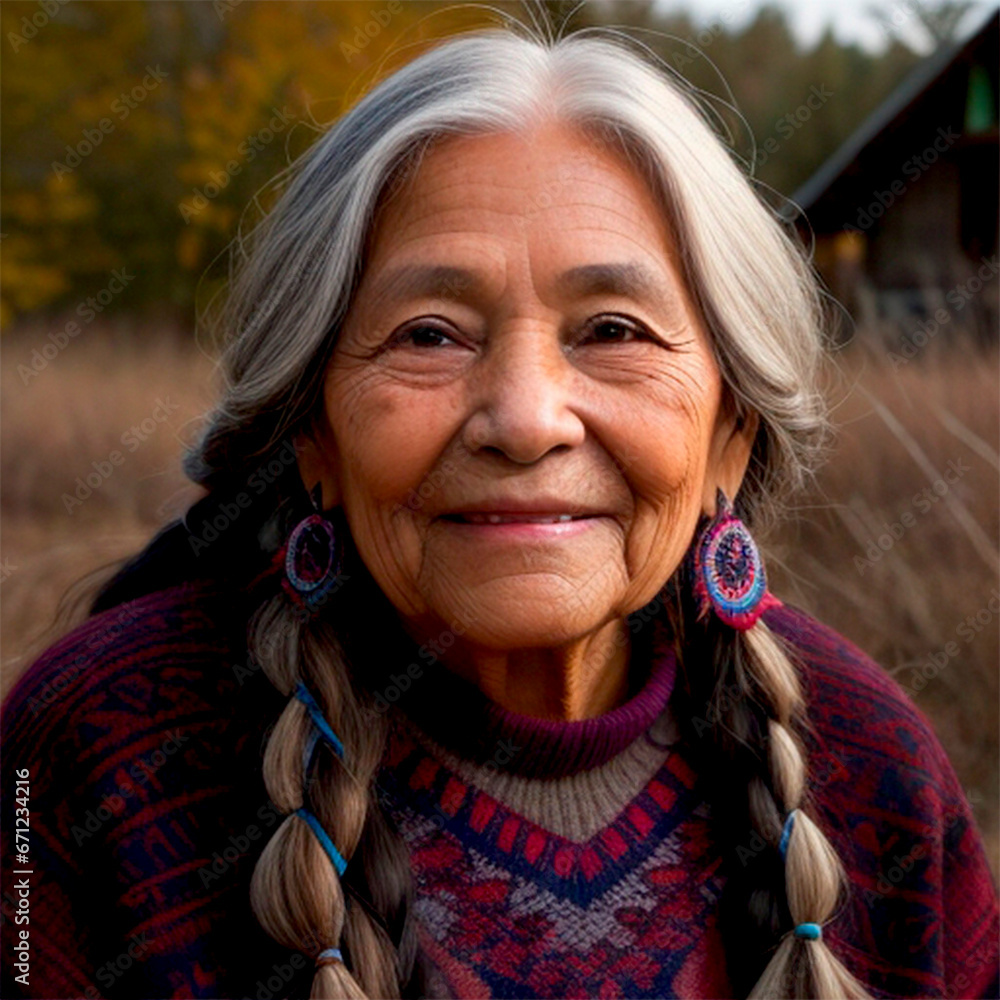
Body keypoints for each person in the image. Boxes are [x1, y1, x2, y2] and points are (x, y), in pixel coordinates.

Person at [2, 20, 997, 1000]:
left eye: (612, 329)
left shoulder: (875, 776)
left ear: (728, 436)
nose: (524, 420)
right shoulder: (95, 762)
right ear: (313, 434)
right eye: (429, 334)